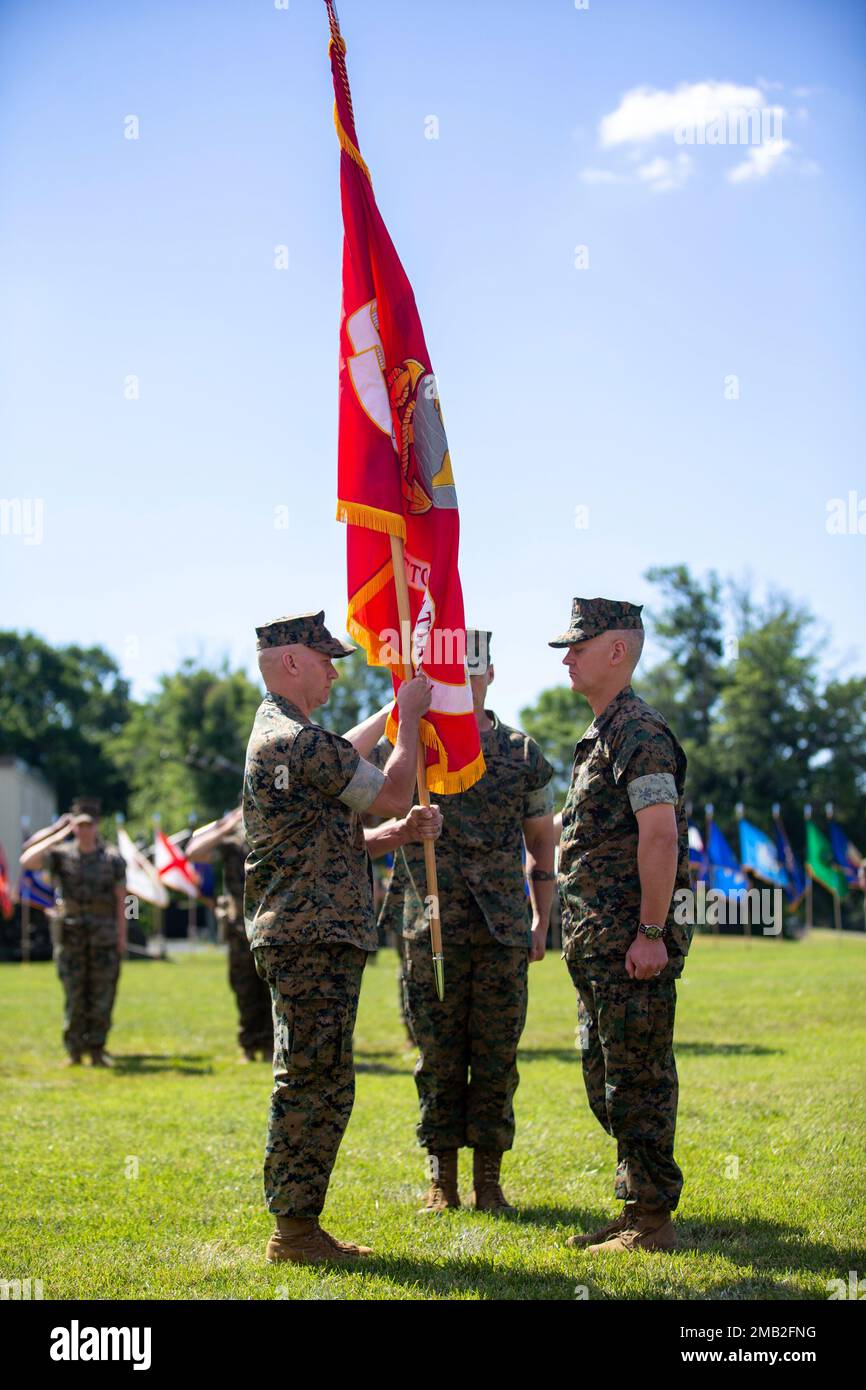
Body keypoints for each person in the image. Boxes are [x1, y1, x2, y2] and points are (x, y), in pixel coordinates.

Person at [243, 610, 433, 1265]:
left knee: (322, 1080)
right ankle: (292, 1234)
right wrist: (408, 718)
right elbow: (392, 788)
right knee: (312, 1081)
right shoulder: (293, 741)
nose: (332, 669)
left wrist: (393, 835)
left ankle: (301, 1228)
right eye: (324, 658)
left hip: (311, 933)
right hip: (310, 937)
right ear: (290, 661)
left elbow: (341, 790)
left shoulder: (291, 737)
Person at [368, 630, 556, 1214]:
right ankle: (441, 1181)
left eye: (470, 674)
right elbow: (367, 795)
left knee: (497, 1055)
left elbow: (542, 848)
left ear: (490, 675)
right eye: (449, 675)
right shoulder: (412, 748)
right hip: (431, 926)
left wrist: (541, 923)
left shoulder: (522, 754)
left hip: (501, 928)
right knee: (437, 1055)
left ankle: (490, 1181)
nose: (461, 685)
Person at [550, 597, 692, 1254]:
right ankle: (636, 1205)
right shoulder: (603, 733)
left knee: (636, 1078)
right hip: (599, 944)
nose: (567, 657)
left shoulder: (638, 732)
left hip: (630, 942)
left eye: (579, 645)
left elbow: (659, 838)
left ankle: (652, 1221)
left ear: (618, 650)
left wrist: (651, 933)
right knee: (610, 1079)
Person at [20, 798, 127, 1067]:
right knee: (74, 995)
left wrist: (123, 935)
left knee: (102, 995)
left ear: (97, 826)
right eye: (79, 826)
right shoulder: (61, 855)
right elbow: (27, 859)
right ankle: (75, 1051)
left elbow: (126, 900)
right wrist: (58, 831)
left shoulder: (112, 858)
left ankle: (97, 1049)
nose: (83, 830)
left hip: (104, 936)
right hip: (71, 937)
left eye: (88, 825)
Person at [186, 807, 272, 1062]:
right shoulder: (232, 843)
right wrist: (224, 826)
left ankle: (270, 1045)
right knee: (243, 986)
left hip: (270, 923)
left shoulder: (273, 836)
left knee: (270, 986)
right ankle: (249, 1044)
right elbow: (194, 853)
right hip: (238, 928)